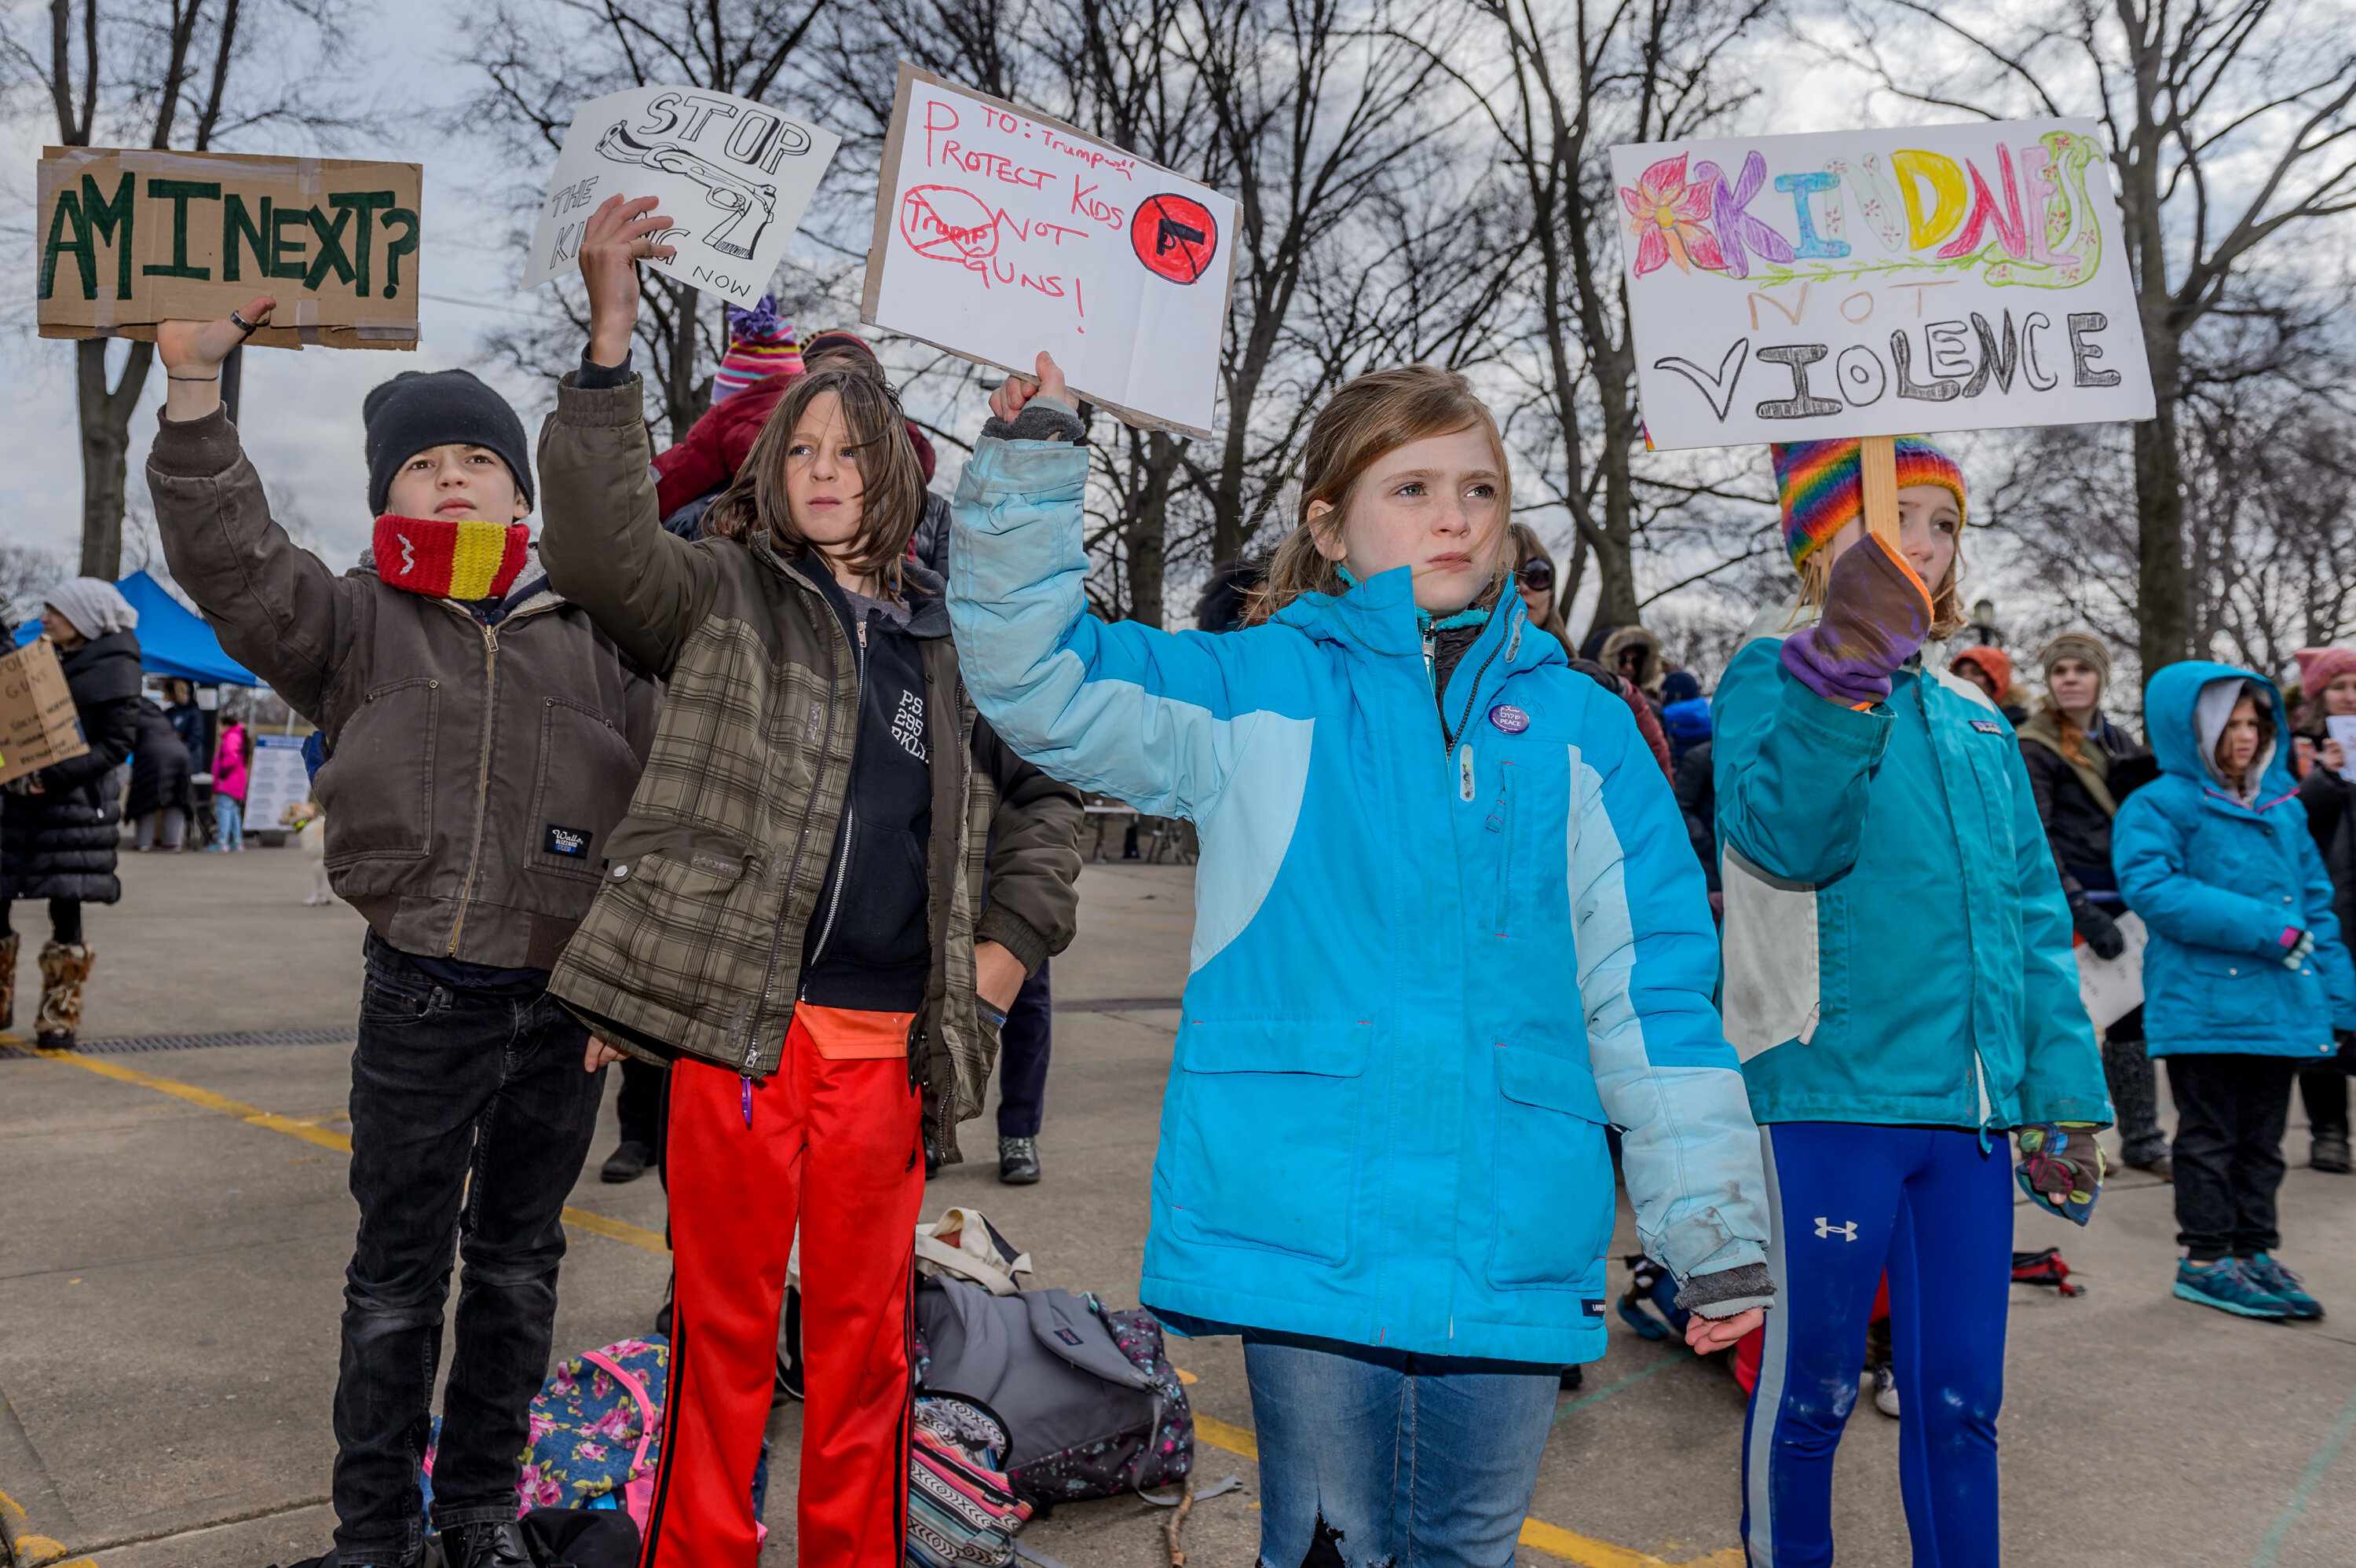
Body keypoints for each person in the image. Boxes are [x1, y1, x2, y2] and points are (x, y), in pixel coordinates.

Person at [953, 351, 1773, 1567]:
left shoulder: (1587, 729)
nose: (1454, 515)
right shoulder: (1255, 688)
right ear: (1330, 529)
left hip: (1513, 1228)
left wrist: (1709, 1227)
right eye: (1413, 487)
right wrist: (1032, 465)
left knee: (1467, 1550)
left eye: (1480, 491)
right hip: (1309, 1220)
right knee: (1327, 1544)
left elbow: (1651, 992)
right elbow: (1041, 676)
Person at [537, 196, 1084, 1568]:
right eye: (805, 447)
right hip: (737, 1040)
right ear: (771, 467)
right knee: (721, 1336)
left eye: (854, 448)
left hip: (889, 1052)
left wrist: (1007, 950)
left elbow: (1050, 802)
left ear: (898, 472)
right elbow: (602, 552)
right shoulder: (718, 595)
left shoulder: (959, 646)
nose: (827, 466)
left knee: (862, 1348)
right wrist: (610, 346)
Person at [146, 294, 664, 1568]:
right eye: (424, 465)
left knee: (517, 1269)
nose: (450, 478)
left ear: (517, 491)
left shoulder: (602, 633)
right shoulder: (353, 615)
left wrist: (630, 982)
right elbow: (232, 562)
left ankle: (481, 1514)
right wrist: (195, 395)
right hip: (418, 994)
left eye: (475, 459)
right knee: (394, 1278)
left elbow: (670, 810)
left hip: (564, 1008)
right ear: (391, 495)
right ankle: (375, 1535)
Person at [1714, 436, 2109, 1566]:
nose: (1920, 548)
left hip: (1973, 1121)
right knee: (1814, 1393)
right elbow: (1783, 842)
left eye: (1940, 524)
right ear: (1814, 548)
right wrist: (1842, 679)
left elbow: (2035, 920)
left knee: (1959, 1403)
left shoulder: (1982, 721)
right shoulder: (1770, 671)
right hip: (1831, 1095)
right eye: (1889, 522)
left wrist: (2061, 1093)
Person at [2115, 664, 2356, 1320]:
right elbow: (2154, 890)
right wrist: (2266, 930)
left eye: (2255, 722)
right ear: (2192, 727)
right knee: (2209, 1137)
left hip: (2279, 1007)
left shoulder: (2282, 807)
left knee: (2263, 1141)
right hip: (2207, 1006)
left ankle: (2252, 1250)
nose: (2245, 736)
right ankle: (2205, 1256)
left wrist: (2341, 1002)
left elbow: (2317, 906)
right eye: (2231, 723)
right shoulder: (2161, 804)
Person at [2018, 632, 2167, 1175]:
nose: (2071, 678)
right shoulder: (2034, 743)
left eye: (2083, 669)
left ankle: (2145, 1139)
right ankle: (2070, 1144)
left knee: (2132, 1026)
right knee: (2067, 1025)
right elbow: (2037, 834)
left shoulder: (2119, 740)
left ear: (2101, 677)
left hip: (2126, 905)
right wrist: (2080, 908)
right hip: (2066, 906)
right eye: (2061, 671)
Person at [0, 580, 141, 1048]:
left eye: (53, 612)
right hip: (18, 804)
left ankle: (58, 1016)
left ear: (81, 619)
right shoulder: (45, 659)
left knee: (66, 906)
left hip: (72, 808)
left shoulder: (117, 672)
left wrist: (53, 776)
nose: (44, 619)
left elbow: (116, 746)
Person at [2290, 645, 2356, 1172]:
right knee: (2327, 1017)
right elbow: (2289, 820)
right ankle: (2328, 1130)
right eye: (2339, 686)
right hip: (2326, 898)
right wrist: (2324, 776)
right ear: (2319, 695)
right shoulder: (2298, 750)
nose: (2350, 695)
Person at [126, 696, 195, 850]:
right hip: (181, 754)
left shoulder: (134, 715)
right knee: (177, 798)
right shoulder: (160, 717)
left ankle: (143, 842)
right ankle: (173, 842)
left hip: (152, 756)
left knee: (147, 798)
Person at [1948, 643, 2026, 725]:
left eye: (1976, 673)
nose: (1965, 678)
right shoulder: (1948, 715)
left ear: (1995, 682)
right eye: (1960, 673)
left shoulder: (2016, 723)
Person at [210, 715, 251, 853]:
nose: (219, 730)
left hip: (228, 782)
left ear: (226, 726)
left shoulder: (231, 738)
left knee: (224, 810)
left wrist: (221, 775)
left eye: (220, 726)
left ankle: (222, 842)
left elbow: (230, 758)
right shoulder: (239, 736)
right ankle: (236, 841)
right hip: (237, 782)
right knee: (233, 811)